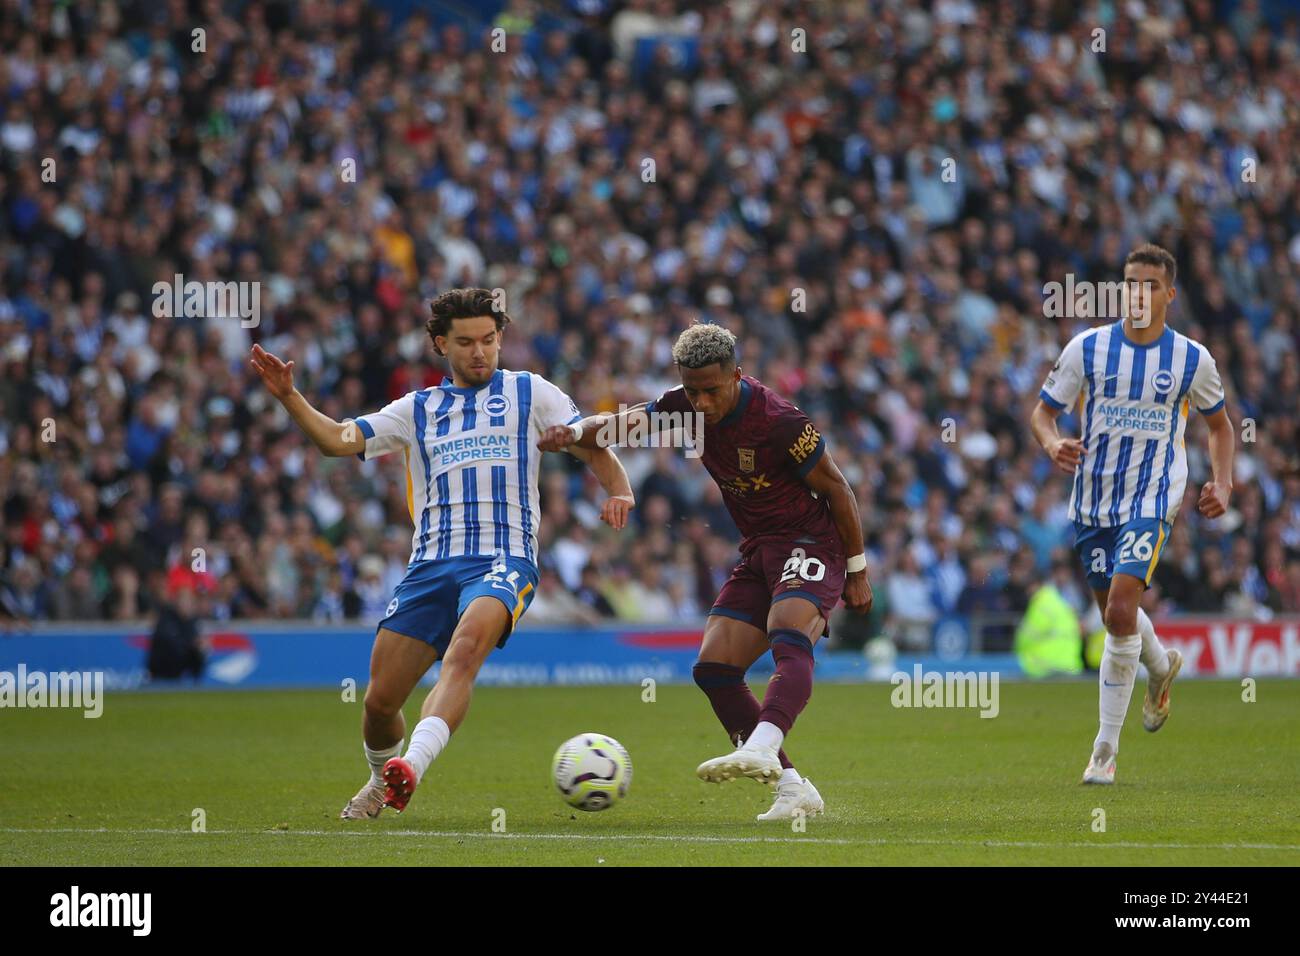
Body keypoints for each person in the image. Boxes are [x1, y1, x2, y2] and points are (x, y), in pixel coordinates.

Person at [251, 288, 635, 818]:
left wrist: (618, 489)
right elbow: (338, 441)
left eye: (490, 340)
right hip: (431, 565)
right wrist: (290, 397)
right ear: (440, 344)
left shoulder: (531, 392)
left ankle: (412, 766)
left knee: (464, 651)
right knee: (380, 702)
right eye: (466, 342)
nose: (481, 352)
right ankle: (380, 779)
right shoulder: (417, 409)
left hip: (504, 557)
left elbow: (590, 440)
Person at [540, 322, 873, 821]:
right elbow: (622, 426)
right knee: (713, 667)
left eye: (712, 391)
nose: (701, 404)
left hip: (811, 541)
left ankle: (762, 744)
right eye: (692, 391)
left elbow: (838, 490)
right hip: (759, 549)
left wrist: (857, 569)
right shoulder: (683, 404)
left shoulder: (780, 421)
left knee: (787, 630)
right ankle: (792, 786)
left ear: (737, 375)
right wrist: (574, 432)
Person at [1030, 243, 1235, 784]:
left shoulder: (1192, 359)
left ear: (1169, 293)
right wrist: (1052, 446)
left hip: (1153, 496)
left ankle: (1104, 750)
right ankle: (1161, 664)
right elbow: (1043, 414)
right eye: (1130, 283)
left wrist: (1224, 481)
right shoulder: (1087, 349)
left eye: (1149, 285)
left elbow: (1219, 426)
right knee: (1113, 616)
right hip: (1093, 500)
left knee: (1121, 610)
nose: (1137, 294)